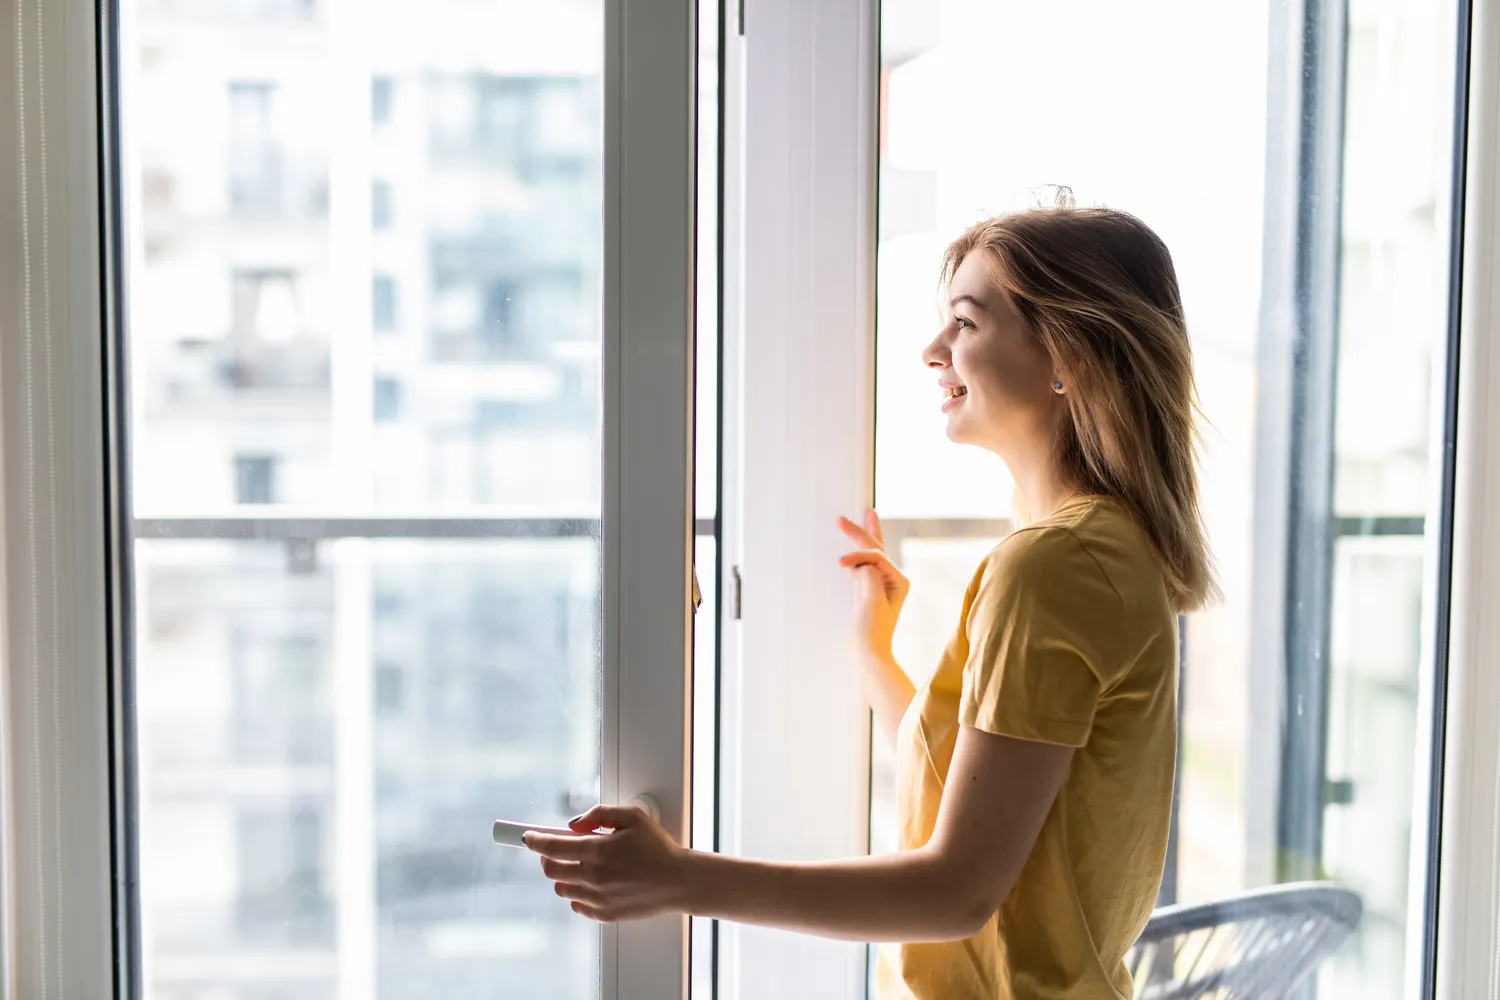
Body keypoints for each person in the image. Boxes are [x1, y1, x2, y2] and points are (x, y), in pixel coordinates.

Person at [525, 202, 1216, 999]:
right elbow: (991, 797)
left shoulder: (1056, 566)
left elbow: (957, 891)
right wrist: (873, 656)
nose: (932, 352)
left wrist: (677, 880)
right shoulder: (1101, 548)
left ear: (1068, 355)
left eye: (964, 323)